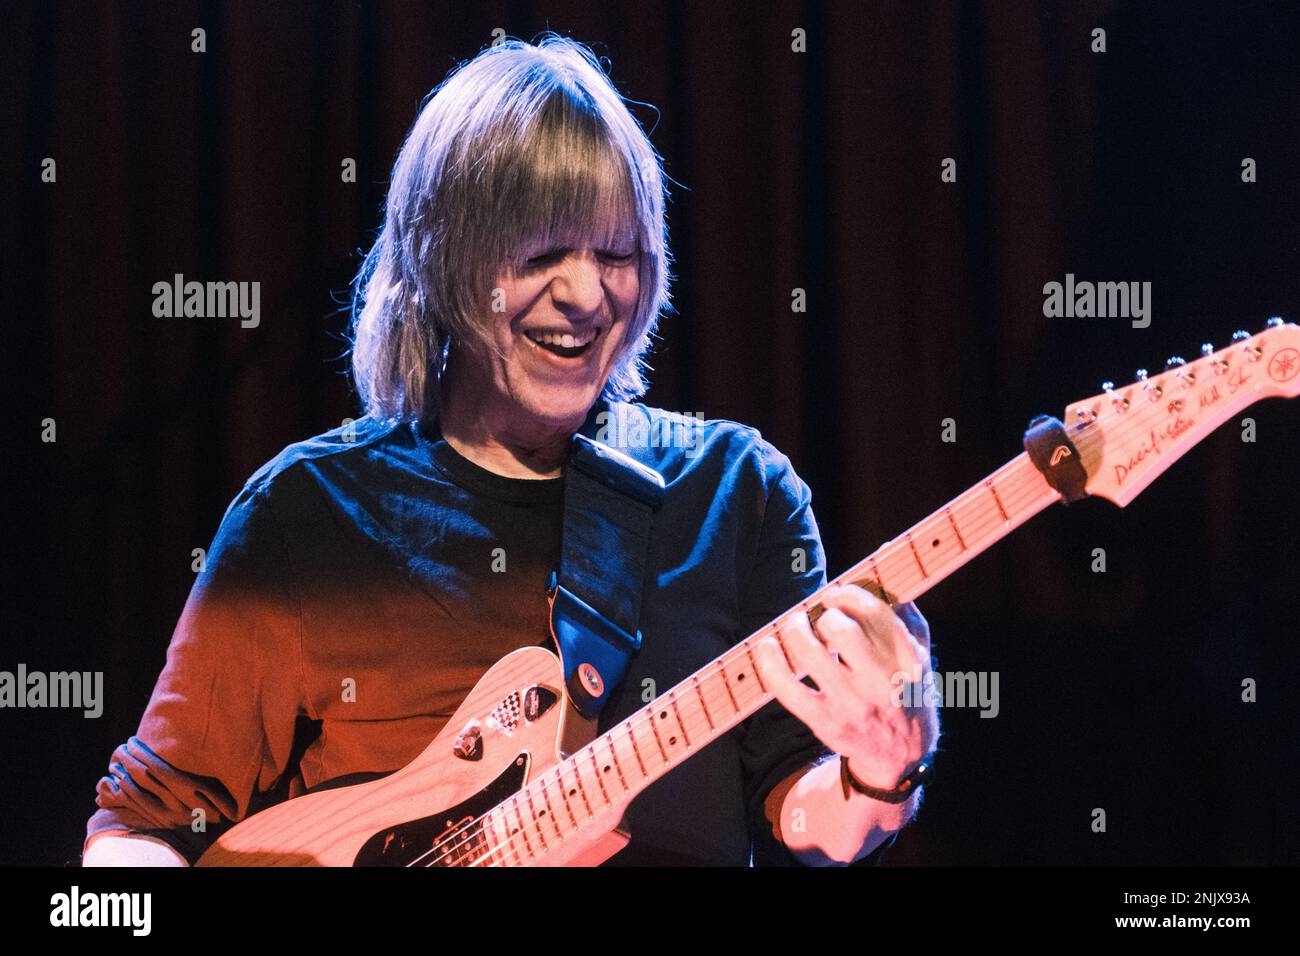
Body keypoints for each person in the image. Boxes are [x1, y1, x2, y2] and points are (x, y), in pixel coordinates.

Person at [83, 34, 939, 867]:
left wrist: (882, 771)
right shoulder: (306, 515)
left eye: (615, 253)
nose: (585, 294)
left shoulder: (735, 494)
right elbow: (144, 823)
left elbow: (804, 810)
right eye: (541, 255)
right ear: (445, 263)